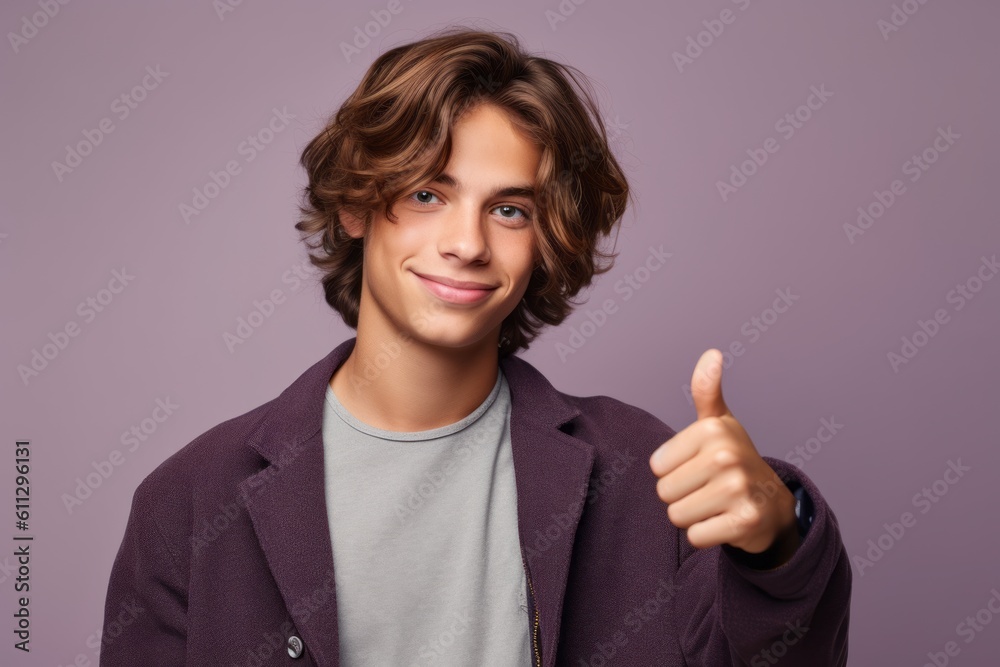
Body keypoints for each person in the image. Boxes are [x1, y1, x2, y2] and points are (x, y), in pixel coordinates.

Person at [100, 25, 851, 666]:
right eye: (427, 193)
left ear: (547, 240)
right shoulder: (189, 501)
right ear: (359, 205)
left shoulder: (645, 474)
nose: (466, 243)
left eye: (511, 209)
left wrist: (777, 540)